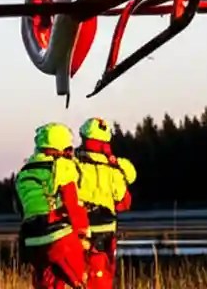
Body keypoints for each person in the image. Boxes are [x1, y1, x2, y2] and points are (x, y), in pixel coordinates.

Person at [15, 122, 90, 289]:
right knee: (80, 282)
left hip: (31, 239)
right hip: (58, 236)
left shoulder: (24, 172)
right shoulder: (62, 166)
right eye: (69, 148)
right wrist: (83, 235)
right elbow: (72, 203)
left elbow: (21, 208)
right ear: (61, 146)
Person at [74, 117, 137, 289]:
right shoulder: (114, 169)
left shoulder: (74, 164)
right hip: (107, 229)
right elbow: (122, 199)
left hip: (81, 229)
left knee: (78, 276)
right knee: (104, 273)